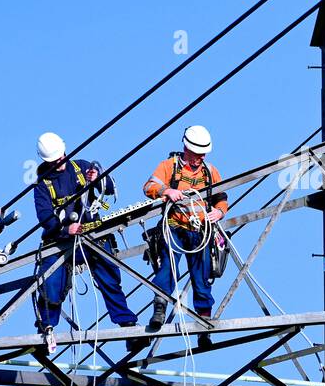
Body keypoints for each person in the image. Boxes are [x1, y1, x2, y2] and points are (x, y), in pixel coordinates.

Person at [32, 131, 145, 355]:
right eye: (55, 160)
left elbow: (110, 188)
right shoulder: (42, 186)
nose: (60, 162)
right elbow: (45, 218)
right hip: (61, 240)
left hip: (92, 234)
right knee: (51, 284)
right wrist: (65, 228)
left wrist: (99, 179)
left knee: (109, 279)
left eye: (61, 157)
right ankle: (46, 329)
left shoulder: (81, 167)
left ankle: (127, 327)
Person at [143, 125, 228, 338]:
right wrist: (166, 191)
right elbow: (149, 186)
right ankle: (160, 309)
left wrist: (219, 212)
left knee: (202, 275)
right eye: (196, 154)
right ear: (186, 148)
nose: (199, 158)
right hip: (174, 225)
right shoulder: (169, 166)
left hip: (200, 230)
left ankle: (204, 322)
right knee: (168, 266)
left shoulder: (210, 172)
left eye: (202, 154)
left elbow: (221, 198)